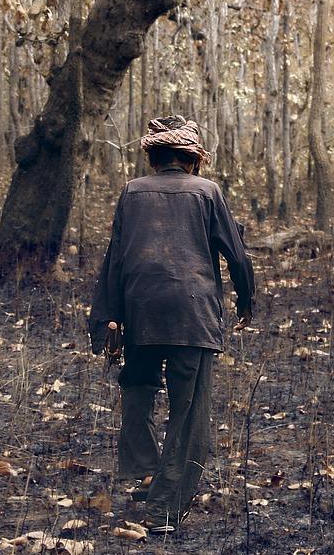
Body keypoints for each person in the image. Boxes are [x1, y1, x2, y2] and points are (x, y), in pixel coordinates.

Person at [89, 115, 254, 533]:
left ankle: (146, 470)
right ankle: (165, 506)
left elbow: (115, 259)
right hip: (193, 314)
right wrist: (246, 299)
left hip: (139, 309)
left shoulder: (131, 192)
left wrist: (106, 318)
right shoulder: (207, 192)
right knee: (188, 409)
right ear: (193, 160)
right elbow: (235, 254)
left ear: (154, 157)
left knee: (138, 388)